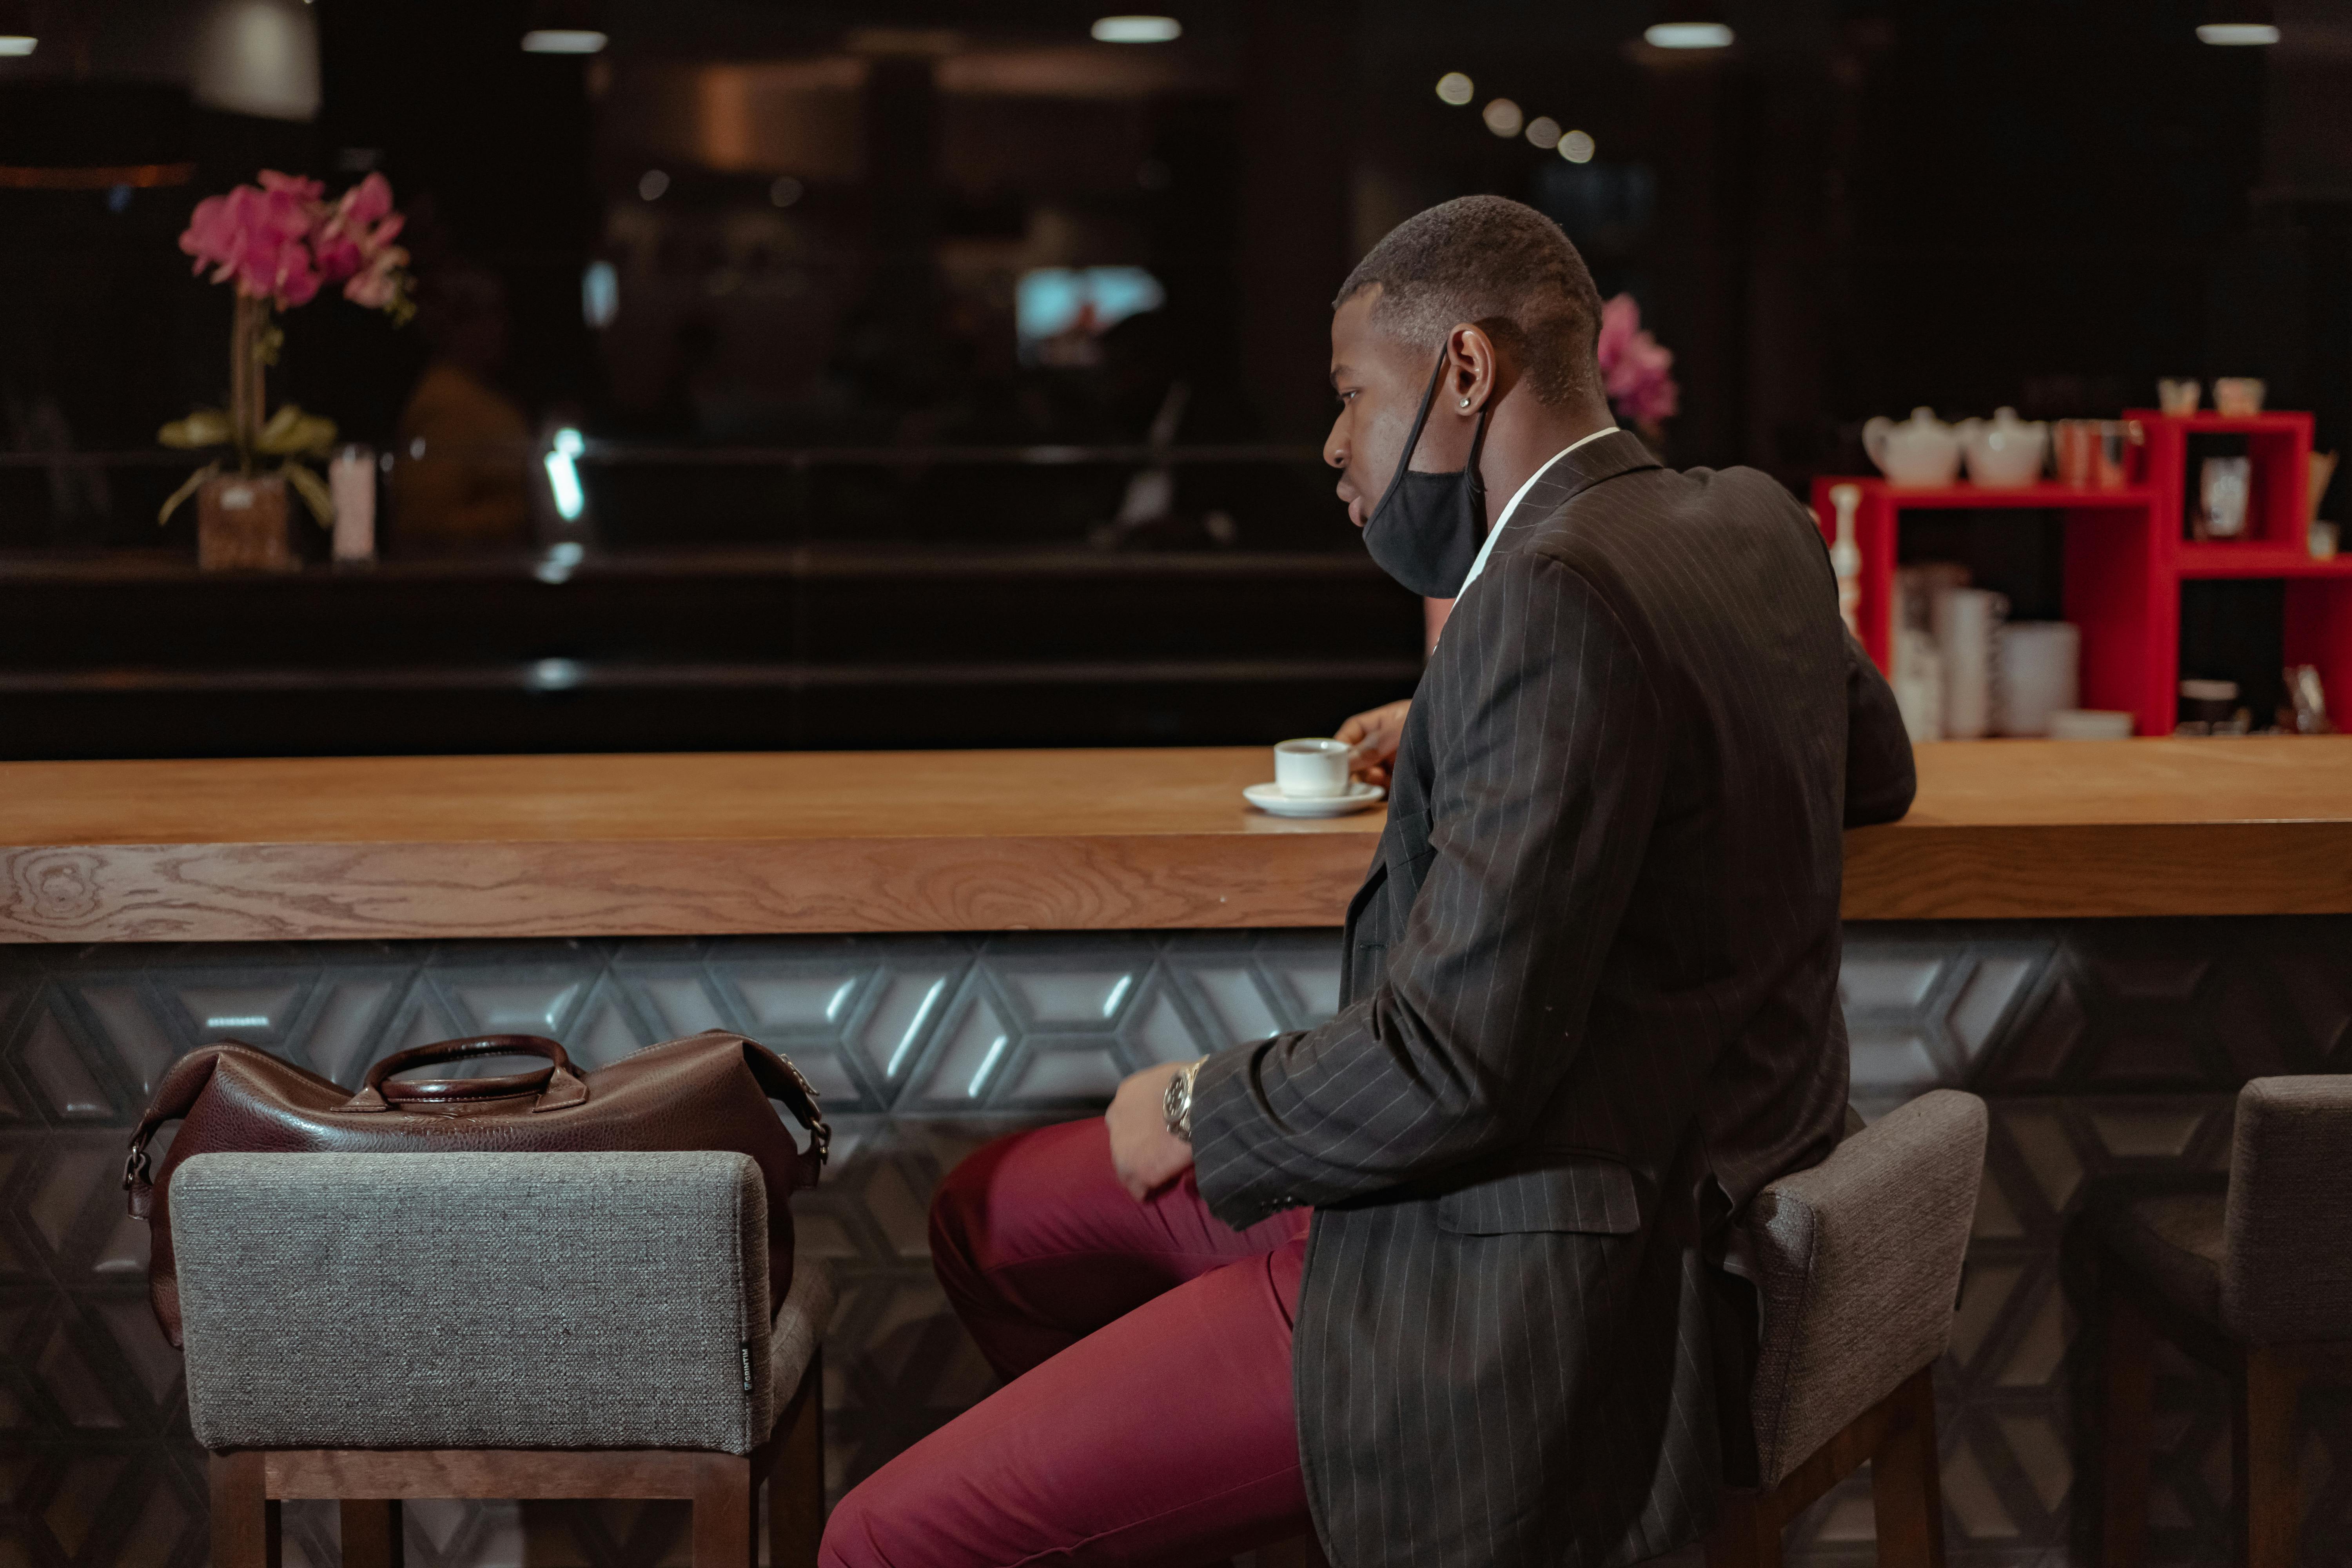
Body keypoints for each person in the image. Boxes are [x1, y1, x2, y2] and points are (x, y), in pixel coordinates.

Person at [817, 195, 1916, 1568]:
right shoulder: (1747, 519)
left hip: (1506, 1283)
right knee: (994, 1216)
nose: (1334, 445)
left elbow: (1453, 1064)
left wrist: (1205, 1102)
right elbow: (1876, 769)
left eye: (1351, 394)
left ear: (1464, 372)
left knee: (877, 1541)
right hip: (1585, 1197)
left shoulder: (1552, 597)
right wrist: (1487, 721)